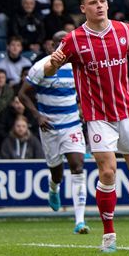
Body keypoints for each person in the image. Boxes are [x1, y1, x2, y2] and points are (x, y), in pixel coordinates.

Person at [44, 0, 129, 253]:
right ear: (84, 8)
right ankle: (109, 236)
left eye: (102, 1)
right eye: (93, 2)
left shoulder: (125, 31)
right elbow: (48, 69)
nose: (99, 6)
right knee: (108, 171)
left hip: (127, 112)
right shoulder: (74, 39)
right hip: (98, 116)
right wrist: (53, 63)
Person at [20, 31, 90, 234]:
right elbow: (22, 94)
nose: (63, 46)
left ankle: (80, 222)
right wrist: (37, 116)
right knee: (57, 172)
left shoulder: (77, 66)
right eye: (59, 43)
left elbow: (84, 90)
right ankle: (53, 187)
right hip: (49, 127)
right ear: (51, 46)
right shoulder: (41, 67)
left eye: (66, 43)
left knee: (77, 166)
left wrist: (83, 109)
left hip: (71, 125)